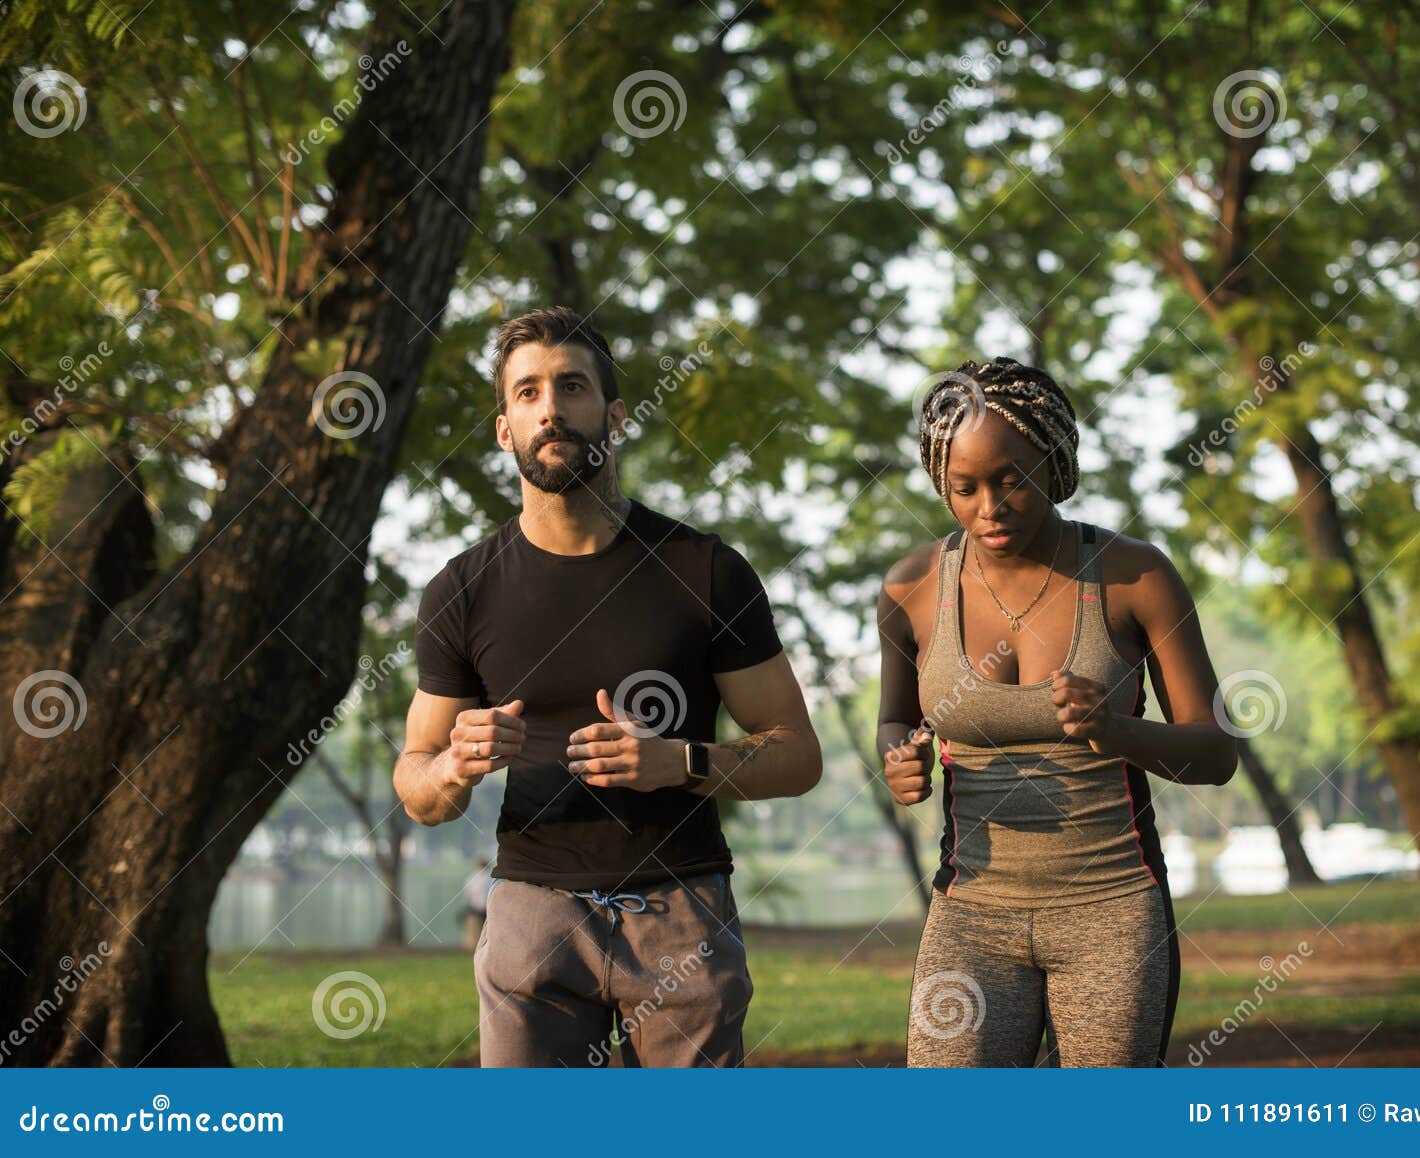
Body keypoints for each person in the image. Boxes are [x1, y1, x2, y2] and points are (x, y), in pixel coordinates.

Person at [393, 306, 822, 1067]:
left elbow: (797, 756)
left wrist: (680, 763)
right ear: (504, 430)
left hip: (680, 908)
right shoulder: (461, 589)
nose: (550, 408)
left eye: (572, 387)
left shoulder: (705, 570)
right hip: (531, 912)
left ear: (615, 416)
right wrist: (455, 764)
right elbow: (419, 783)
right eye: (526, 393)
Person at [875, 357, 1238, 1067]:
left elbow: (1216, 753)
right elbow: (897, 720)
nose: (990, 506)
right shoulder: (911, 589)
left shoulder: (1137, 575)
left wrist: (1115, 729)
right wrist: (901, 760)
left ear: (1055, 462)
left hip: (1113, 909)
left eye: (1011, 478)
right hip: (970, 914)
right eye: (964, 488)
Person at [460, 858, 492, 950]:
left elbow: (468, 895)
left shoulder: (474, 877)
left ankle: (473, 942)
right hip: (483, 909)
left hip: (480, 909)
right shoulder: (489, 877)